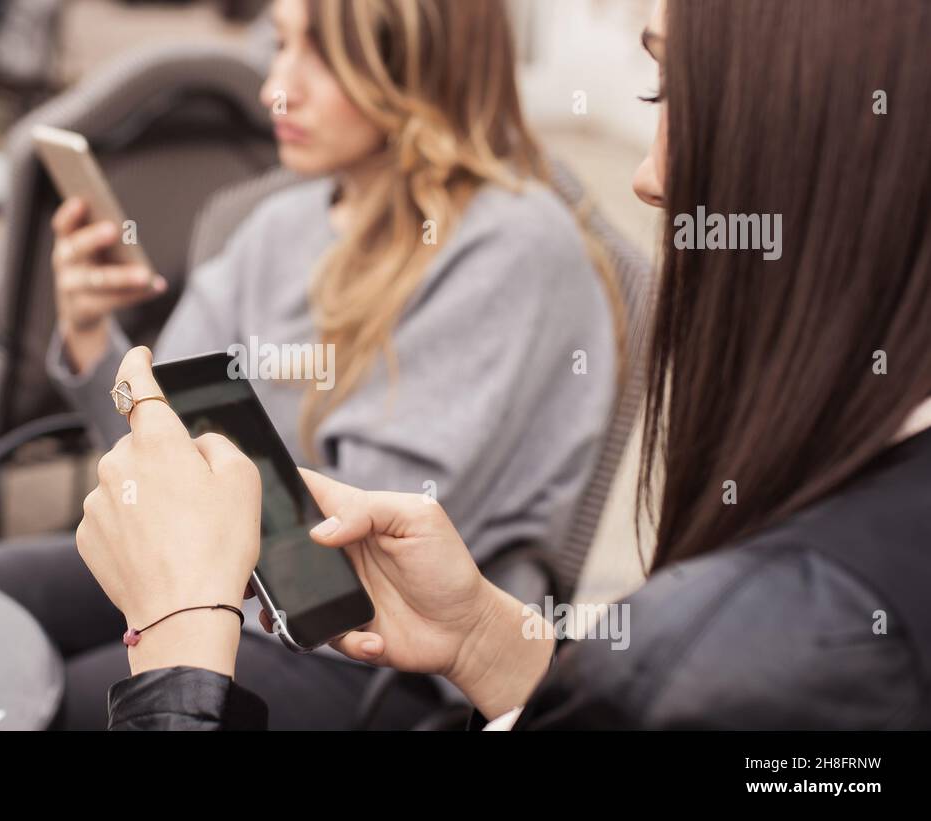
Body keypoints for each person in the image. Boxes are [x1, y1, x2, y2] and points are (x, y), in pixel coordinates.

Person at [74, 0, 931, 730]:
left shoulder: (772, 653)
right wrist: (488, 639)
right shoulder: (274, 223)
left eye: (672, 92)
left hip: (331, 643)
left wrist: (182, 650)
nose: (646, 175)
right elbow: (158, 428)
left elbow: (320, 548)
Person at [0, 0, 621, 729]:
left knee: (11, 699)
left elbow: (348, 556)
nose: (278, 88)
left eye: (326, 57)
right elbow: (156, 444)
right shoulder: (281, 223)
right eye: (279, 47)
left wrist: (196, 524)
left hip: (358, 650)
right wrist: (91, 338)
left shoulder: (512, 250)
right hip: (219, 578)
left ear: (423, 68)